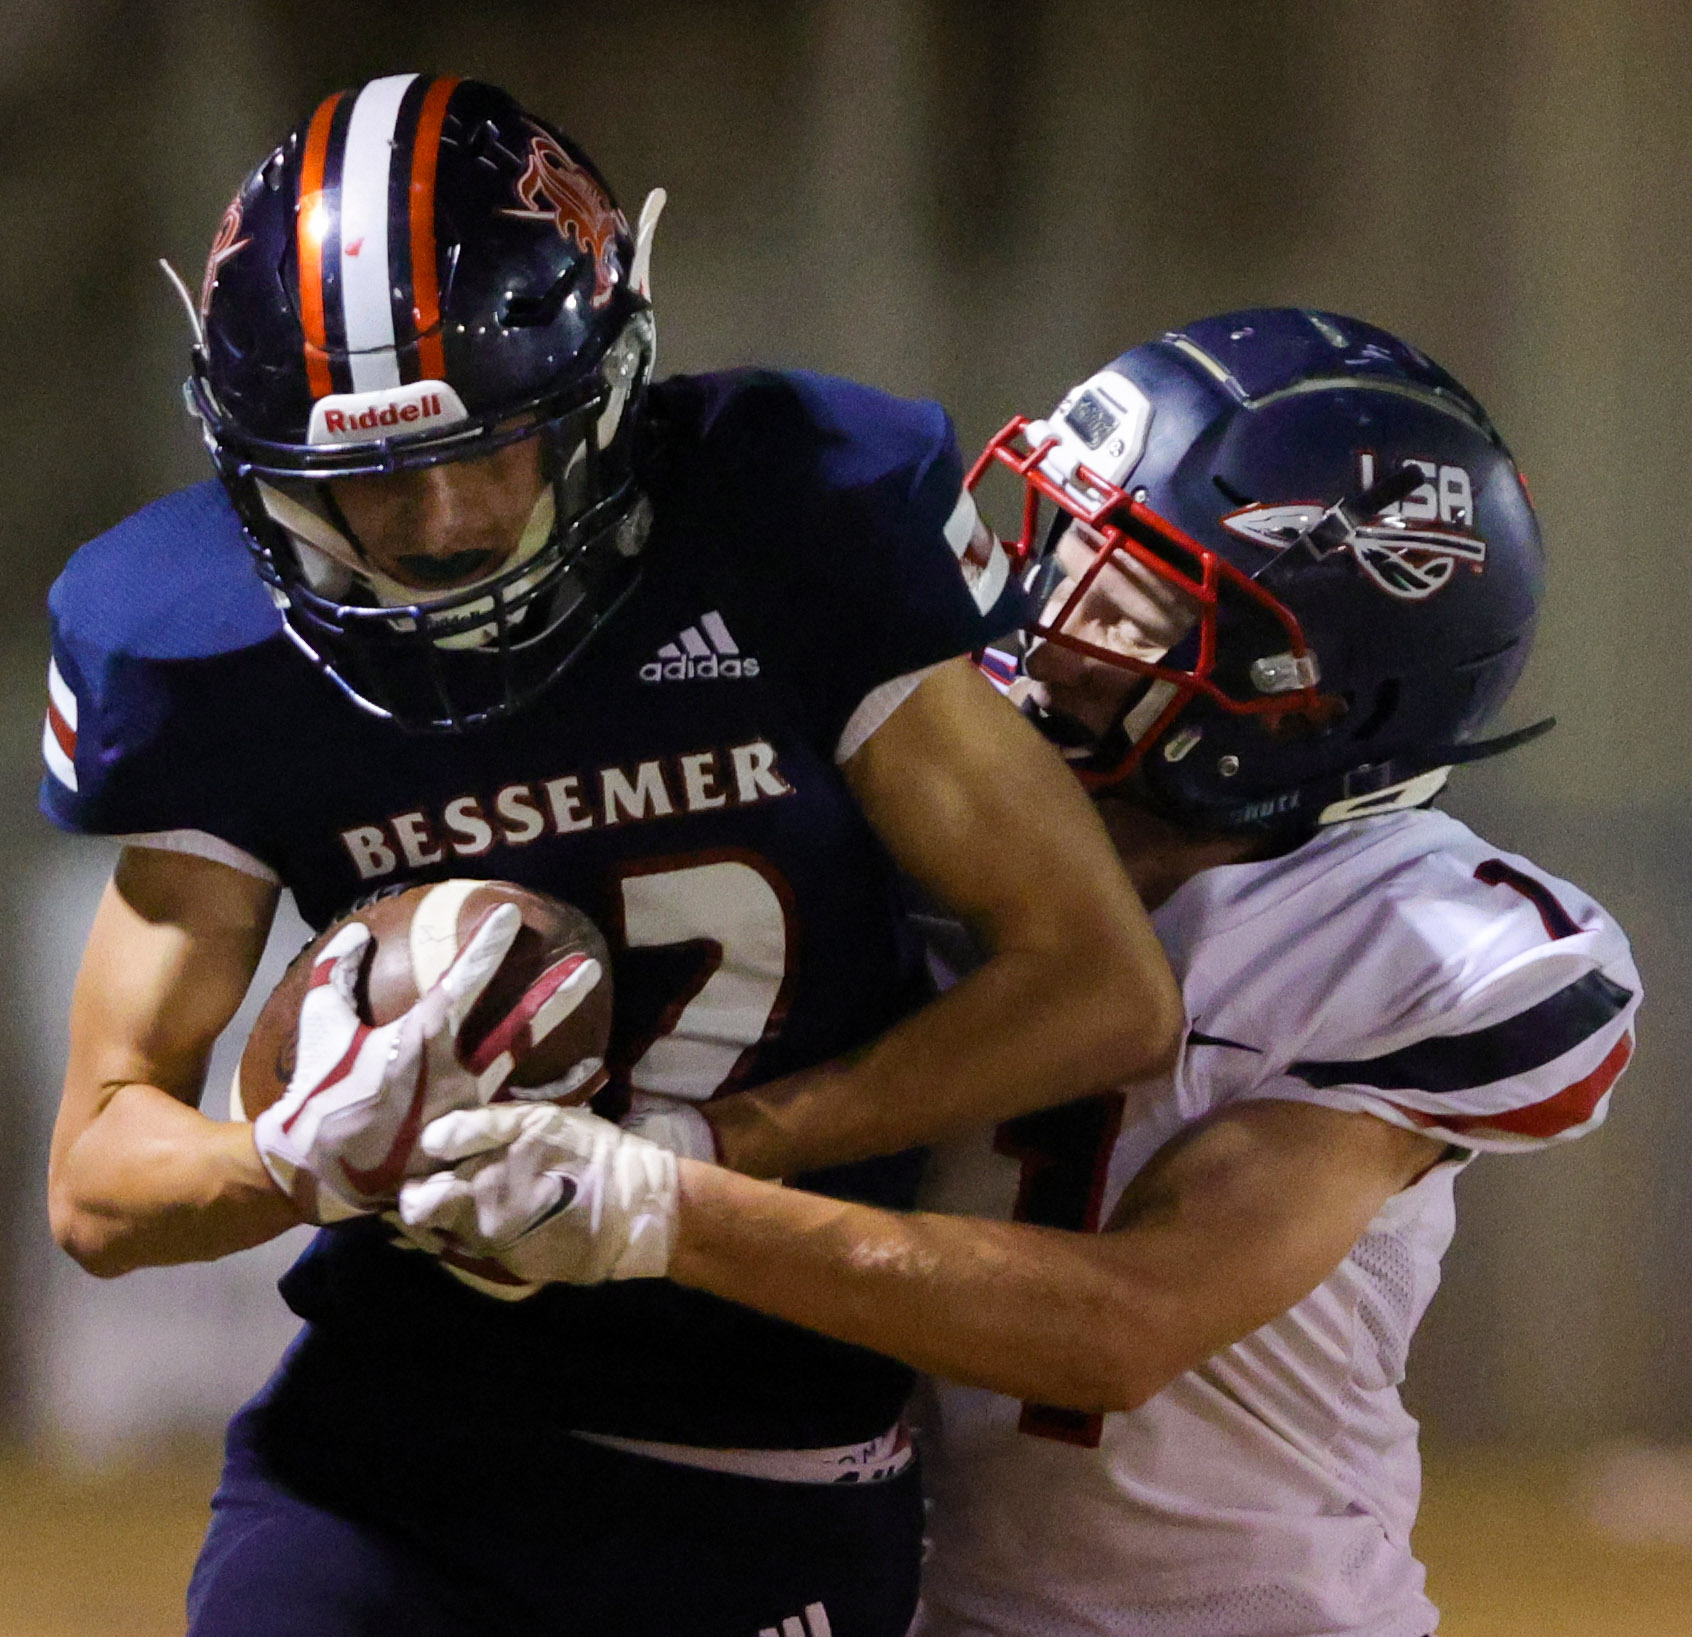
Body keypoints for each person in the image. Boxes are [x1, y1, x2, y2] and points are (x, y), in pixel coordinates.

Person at [41, 75, 1183, 1637]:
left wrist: (699, 1168)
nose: (438, 523)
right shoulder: (198, 643)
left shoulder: (800, 514)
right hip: (385, 1462)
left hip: (768, 1449)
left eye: (492, 450)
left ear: (610, 380)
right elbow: (100, 1176)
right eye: (370, 474)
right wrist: (302, 1159)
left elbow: (1099, 987)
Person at [400, 310, 1642, 1637]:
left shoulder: (1410, 941)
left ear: (1319, 690)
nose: (1046, 606)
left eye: (1135, 590)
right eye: (1061, 537)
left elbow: (1123, 1327)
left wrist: (661, 1201)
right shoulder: (916, 816)